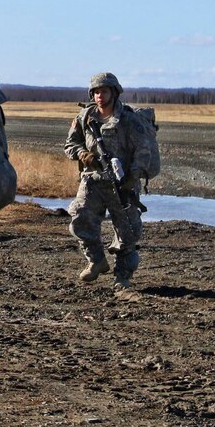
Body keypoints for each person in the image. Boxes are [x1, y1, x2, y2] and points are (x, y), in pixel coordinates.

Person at [65, 72, 153, 290]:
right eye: (96, 92)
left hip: (123, 184)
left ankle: (122, 276)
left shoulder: (129, 119)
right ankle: (96, 261)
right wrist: (83, 154)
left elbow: (144, 150)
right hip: (93, 181)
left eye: (104, 91)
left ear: (114, 93)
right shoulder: (85, 118)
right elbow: (70, 145)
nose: (99, 96)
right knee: (80, 219)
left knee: (127, 232)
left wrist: (133, 176)